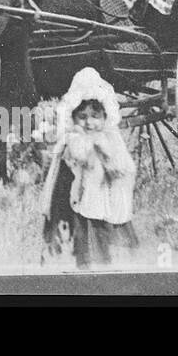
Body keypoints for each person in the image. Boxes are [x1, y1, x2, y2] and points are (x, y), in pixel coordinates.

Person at [42, 68, 138, 268]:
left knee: (104, 229)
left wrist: (110, 160)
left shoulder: (110, 137)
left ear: (105, 116)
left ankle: (106, 259)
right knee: (78, 230)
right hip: (74, 199)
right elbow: (69, 168)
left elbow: (125, 167)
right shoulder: (73, 140)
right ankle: (76, 258)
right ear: (73, 118)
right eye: (82, 117)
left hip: (105, 196)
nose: (89, 123)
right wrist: (85, 151)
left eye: (95, 116)